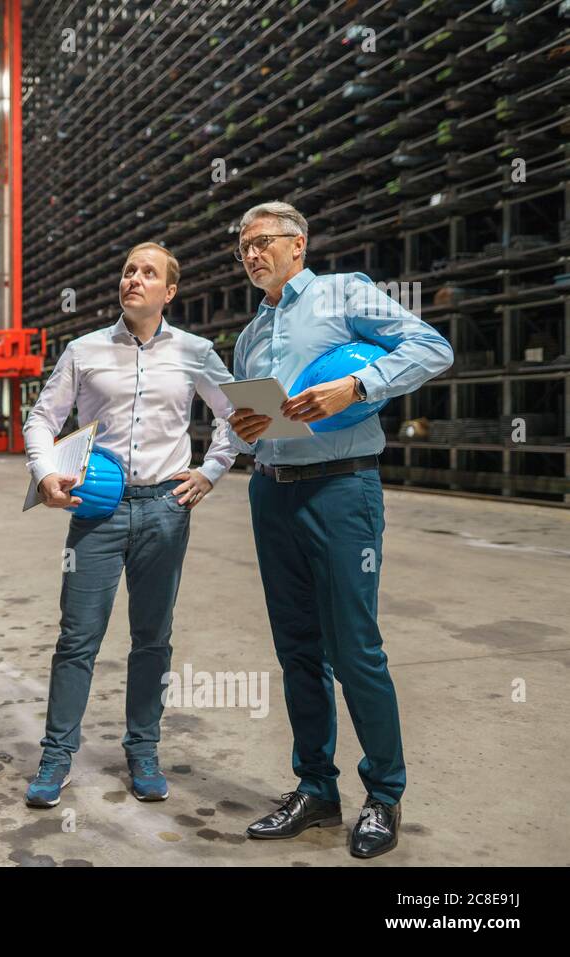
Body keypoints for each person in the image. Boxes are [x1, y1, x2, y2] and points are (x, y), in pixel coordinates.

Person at [225, 201, 454, 858]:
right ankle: (315, 787)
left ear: (299, 244)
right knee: (298, 649)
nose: (251, 253)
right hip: (272, 493)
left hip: (340, 490)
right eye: (244, 246)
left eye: (263, 241)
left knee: (356, 649)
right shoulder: (249, 335)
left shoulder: (341, 294)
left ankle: (384, 793)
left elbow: (430, 347)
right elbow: (264, 418)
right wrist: (245, 430)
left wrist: (357, 385)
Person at [22, 242, 237, 807]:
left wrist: (212, 471)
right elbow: (42, 419)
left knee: (152, 639)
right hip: (97, 512)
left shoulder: (195, 351)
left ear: (169, 292)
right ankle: (56, 755)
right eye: (127, 271)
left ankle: (143, 749)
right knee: (77, 638)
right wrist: (46, 474)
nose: (133, 279)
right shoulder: (84, 350)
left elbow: (237, 415)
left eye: (148, 273)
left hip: (167, 508)